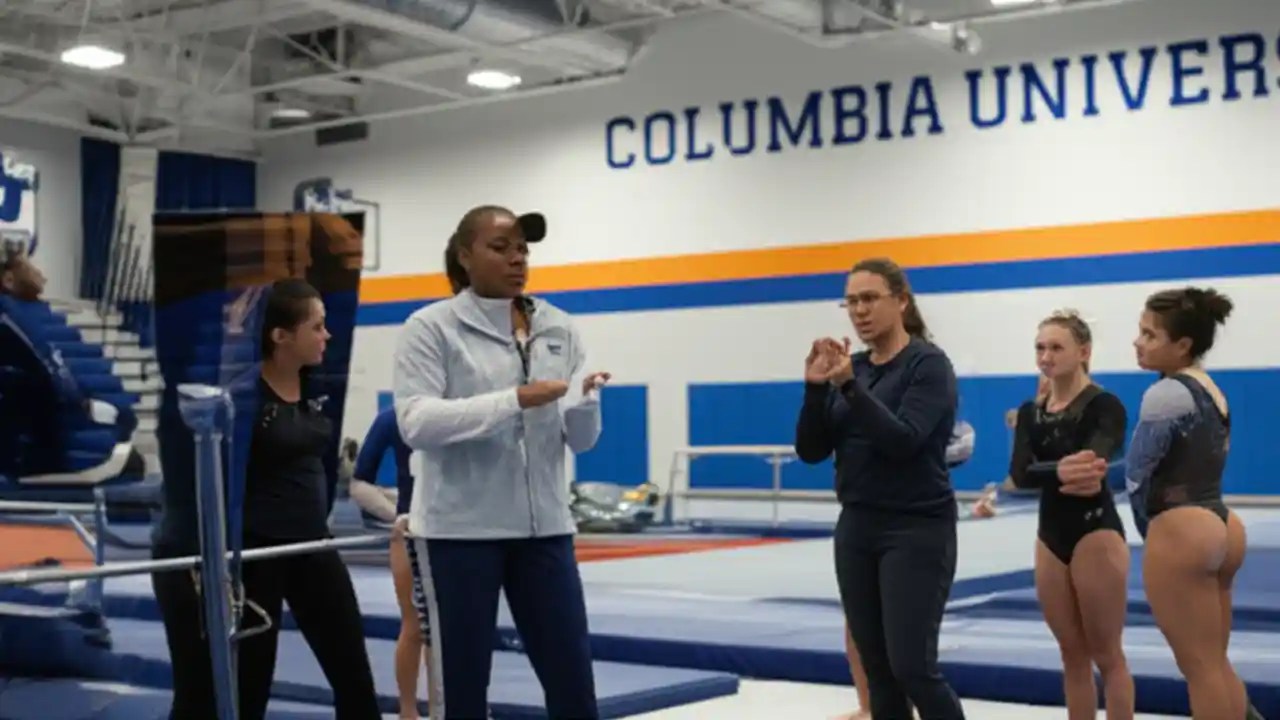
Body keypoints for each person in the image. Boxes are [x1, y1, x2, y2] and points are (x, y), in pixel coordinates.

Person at [391, 205, 611, 720]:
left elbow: (579, 443)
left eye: (523, 250)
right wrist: (516, 399)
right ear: (465, 256)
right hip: (459, 534)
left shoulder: (558, 325)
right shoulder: (431, 328)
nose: (517, 259)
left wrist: (585, 405)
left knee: (573, 679)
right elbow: (417, 423)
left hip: (546, 531)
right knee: (462, 688)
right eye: (501, 247)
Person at [151, 279, 382, 720]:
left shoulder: (318, 388)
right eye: (316, 327)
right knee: (249, 689)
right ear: (280, 336)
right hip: (258, 554)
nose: (326, 336)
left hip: (313, 548)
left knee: (355, 679)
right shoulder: (237, 397)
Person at [795, 257, 965, 720]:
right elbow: (811, 451)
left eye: (869, 299)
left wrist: (849, 388)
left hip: (916, 528)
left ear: (901, 301)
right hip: (858, 526)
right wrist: (815, 389)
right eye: (850, 302)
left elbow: (903, 441)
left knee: (912, 667)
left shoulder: (928, 365)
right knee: (878, 670)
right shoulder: (857, 369)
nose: (859, 311)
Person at [1125, 287, 1262, 720]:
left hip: (1182, 529)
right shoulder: (1211, 389)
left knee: (1199, 670)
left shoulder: (1165, 394)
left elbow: (1137, 474)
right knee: (1215, 664)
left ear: (1182, 345)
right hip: (1222, 522)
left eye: (1149, 335)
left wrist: (1150, 529)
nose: (1137, 342)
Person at [1008, 310, 1134, 719]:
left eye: (1056, 347)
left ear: (1083, 352)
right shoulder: (1031, 412)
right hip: (1050, 536)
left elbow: (1092, 462)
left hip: (1094, 531)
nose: (1046, 356)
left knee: (1107, 653)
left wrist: (1057, 470)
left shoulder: (1104, 405)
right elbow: (1019, 474)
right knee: (1071, 653)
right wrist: (1058, 471)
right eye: (1040, 348)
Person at [347, 406, 424, 720]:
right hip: (410, 530)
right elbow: (359, 483)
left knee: (451, 627)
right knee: (415, 625)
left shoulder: (461, 410)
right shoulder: (394, 418)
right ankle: (408, 710)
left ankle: (447, 706)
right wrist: (398, 516)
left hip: (456, 529)